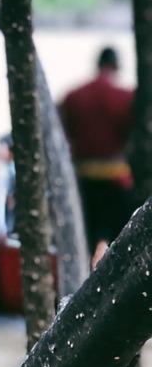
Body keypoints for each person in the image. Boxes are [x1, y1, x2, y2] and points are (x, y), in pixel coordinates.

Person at [59, 46, 135, 253]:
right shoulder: (126, 96)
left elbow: (62, 133)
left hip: (83, 181)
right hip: (115, 181)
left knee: (84, 240)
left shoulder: (74, 95)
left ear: (98, 64)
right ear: (116, 66)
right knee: (118, 243)